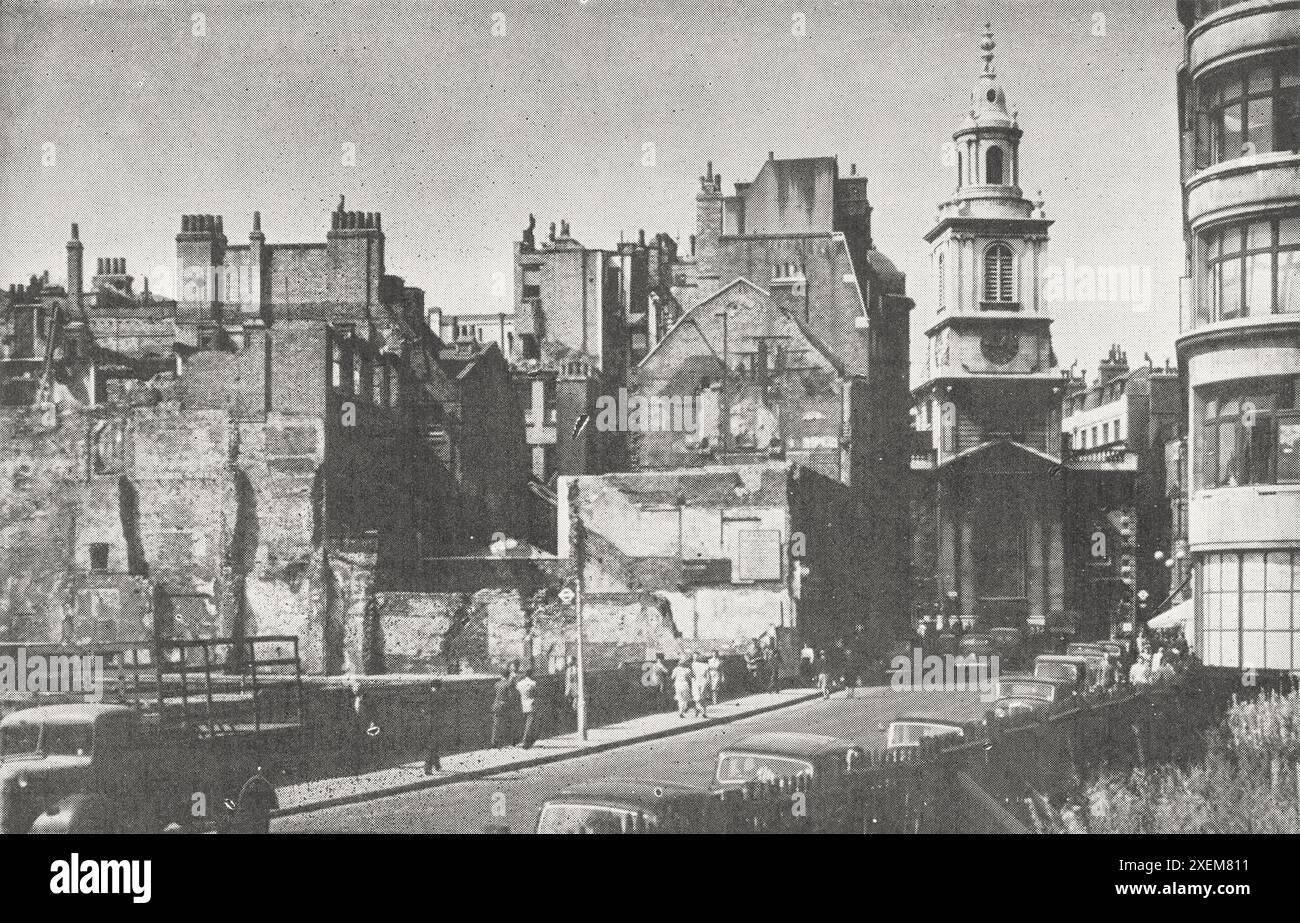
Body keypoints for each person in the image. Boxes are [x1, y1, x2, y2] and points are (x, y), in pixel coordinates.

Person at [489, 665, 517, 748]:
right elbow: (511, 696)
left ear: (501, 675)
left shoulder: (496, 684)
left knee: (496, 724)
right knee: (507, 724)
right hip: (505, 706)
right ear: (508, 676)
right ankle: (507, 742)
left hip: (496, 705)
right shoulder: (508, 684)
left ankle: (494, 742)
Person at [423, 681, 444, 774]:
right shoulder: (437, 696)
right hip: (433, 725)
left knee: (433, 746)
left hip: (428, 725)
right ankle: (428, 769)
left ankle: (437, 765)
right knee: (432, 747)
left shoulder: (428, 695)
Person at [515, 668, 539, 748]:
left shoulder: (519, 683)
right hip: (531, 704)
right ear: (531, 674)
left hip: (522, 704)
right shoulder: (533, 683)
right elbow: (536, 693)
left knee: (524, 723)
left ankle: (523, 740)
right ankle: (526, 741)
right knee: (530, 724)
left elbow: (517, 692)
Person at [690, 654, 711, 719]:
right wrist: (708, 684)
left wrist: (692, 681)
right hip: (703, 681)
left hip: (696, 681)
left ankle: (698, 708)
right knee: (703, 697)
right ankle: (704, 712)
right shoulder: (707, 666)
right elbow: (708, 677)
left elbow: (692, 674)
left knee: (696, 696)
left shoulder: (694, 665)